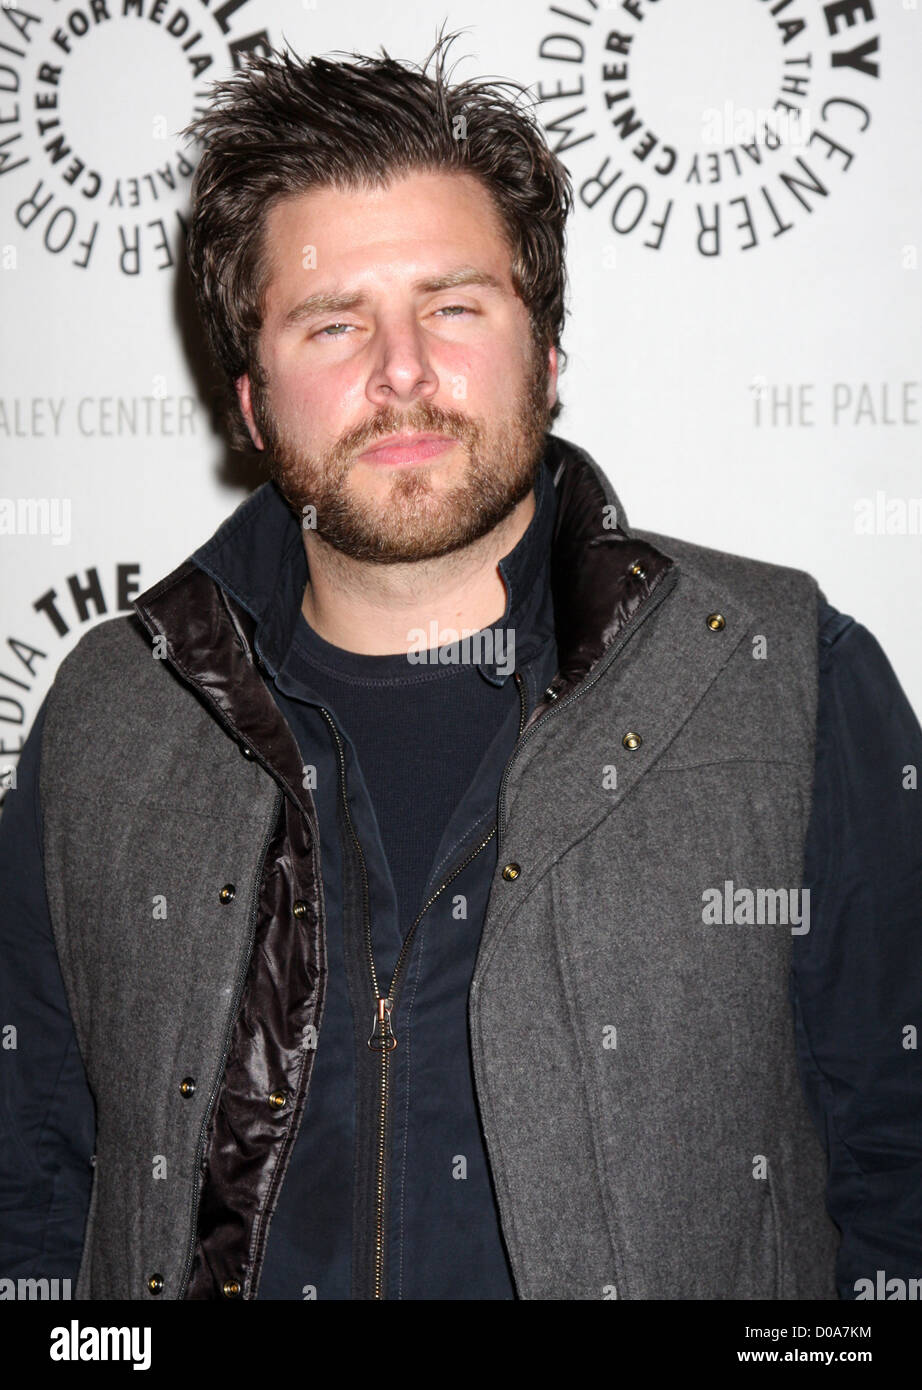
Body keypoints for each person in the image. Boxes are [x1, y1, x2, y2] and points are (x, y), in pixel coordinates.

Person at [1, 32, 920, 1303]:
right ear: (254, 402)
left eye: (453, 306)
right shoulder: (117, 708)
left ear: (544, 356)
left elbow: (901, 1166)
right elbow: (32, 1177)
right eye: (333, 323)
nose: (402, 373)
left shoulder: (779, 671)